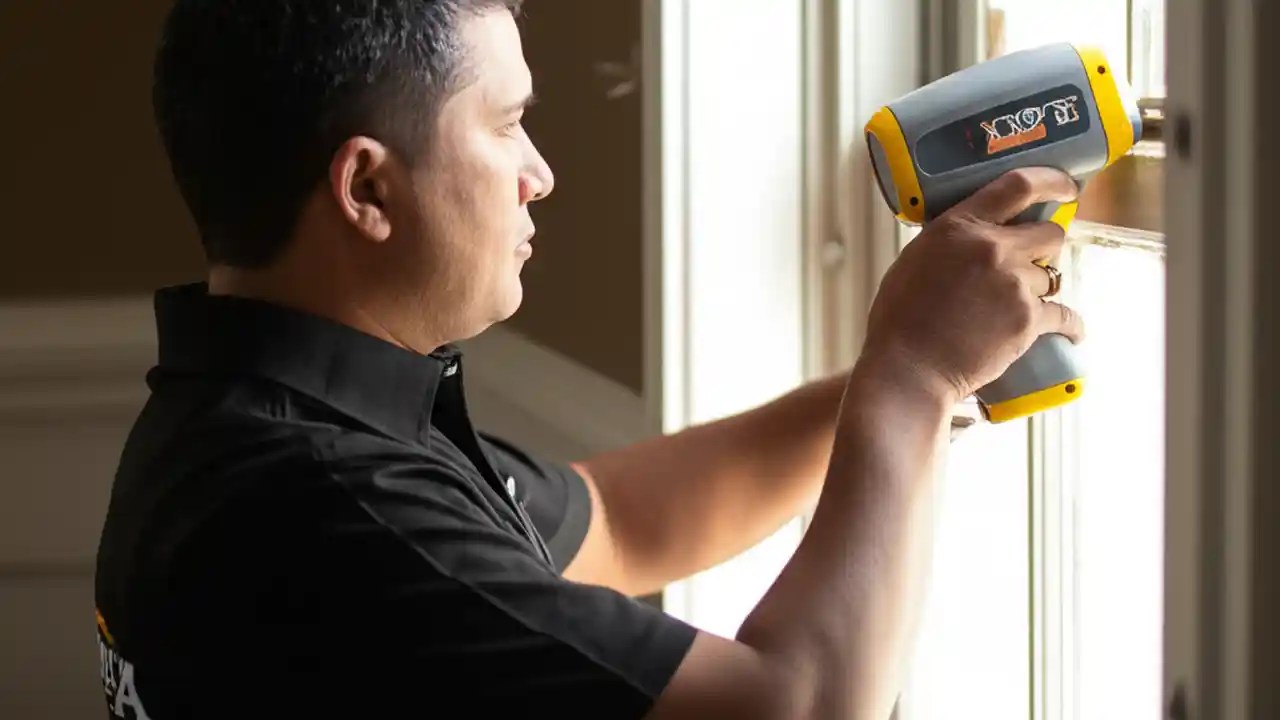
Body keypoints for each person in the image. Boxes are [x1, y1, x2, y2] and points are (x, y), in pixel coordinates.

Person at [92, 1, 1083, 718]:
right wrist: (910, 379)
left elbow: (621, 521)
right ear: (367, 190)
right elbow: (801, 706)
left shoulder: (251, 417)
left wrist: (905, 371)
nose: (541, 174)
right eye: (508, 124)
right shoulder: (333, 512)